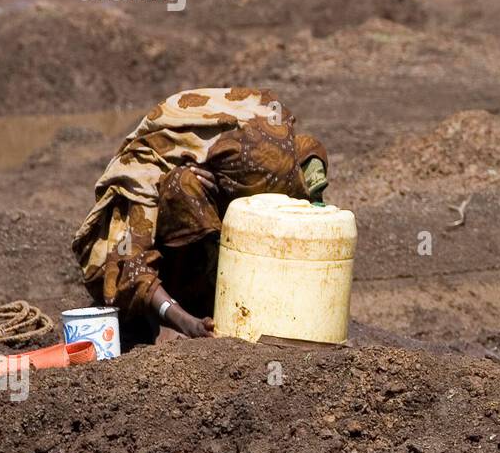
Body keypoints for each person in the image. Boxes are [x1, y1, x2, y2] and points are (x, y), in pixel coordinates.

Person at [72, 88, 328, 348]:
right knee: (183, 187)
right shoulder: (146, 169)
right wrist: (185, 321)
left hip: (226, 265)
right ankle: (165, 318)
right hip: (158, 281)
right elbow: (131, 267)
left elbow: (309, 156)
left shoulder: (271, 144)